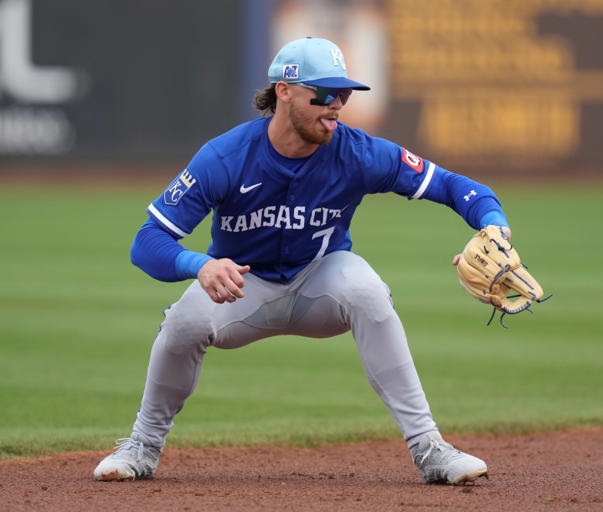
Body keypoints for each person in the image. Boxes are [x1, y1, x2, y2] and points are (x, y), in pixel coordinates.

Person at [93, 37, 510, 485]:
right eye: (325, 93)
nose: (337, 105)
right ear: (284, 91)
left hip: (320, 281)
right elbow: (147, 242)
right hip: (241, 287)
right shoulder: (225, 157)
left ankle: (430, 449)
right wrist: (199, 265)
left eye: (344, 94)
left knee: (367, 290)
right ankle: (142, 445)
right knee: (184, 323)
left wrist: (495, 227)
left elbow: (454, 186)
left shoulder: (358, 152)